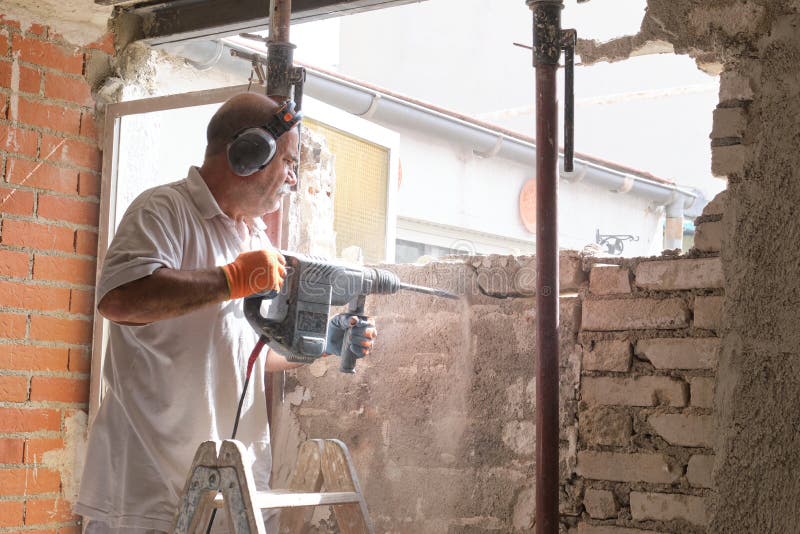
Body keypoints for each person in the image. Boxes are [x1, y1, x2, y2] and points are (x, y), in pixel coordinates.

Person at [75, 92, 377, 534]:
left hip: (231, 492)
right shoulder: (164, 210)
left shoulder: (254, 239)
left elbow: (250, 350)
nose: (292, 178)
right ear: (249, 153)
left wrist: (320, 343)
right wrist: (231, 280)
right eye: (288, 162)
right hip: (146, 493)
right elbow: (119, 299)